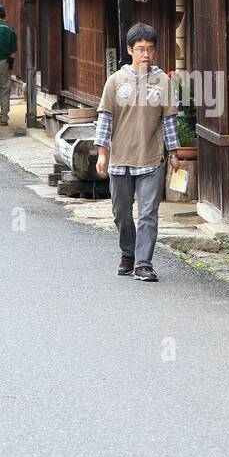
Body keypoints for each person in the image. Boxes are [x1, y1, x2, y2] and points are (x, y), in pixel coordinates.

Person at [95, 23, 181, 283]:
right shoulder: (116, 81)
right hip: (120, 159)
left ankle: (144, 264)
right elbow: (105, 119)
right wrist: (102, 153)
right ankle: (128, 254)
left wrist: (174, 153)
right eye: (141, 49)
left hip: (151, 159)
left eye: (150, 50)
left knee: (148, 213)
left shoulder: (162, 81)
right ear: (130, 50)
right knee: (121, 212)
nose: (146, 55)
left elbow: (168, 121)